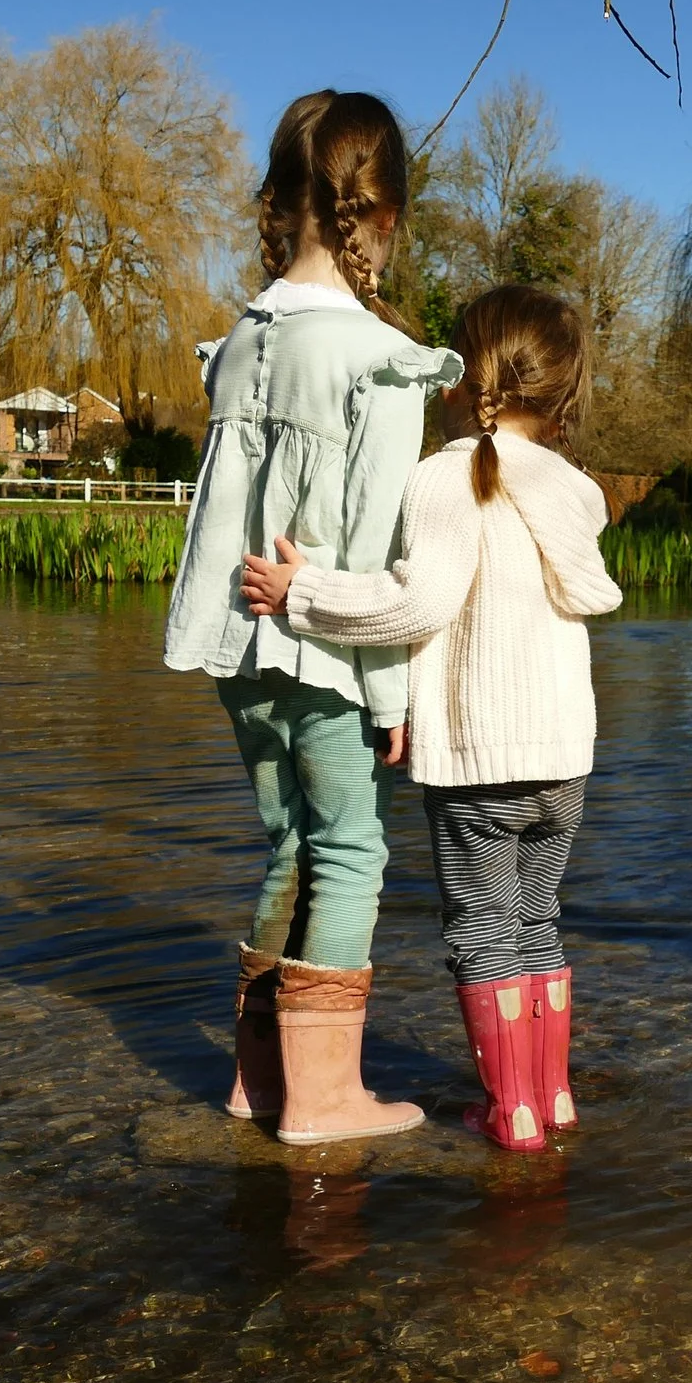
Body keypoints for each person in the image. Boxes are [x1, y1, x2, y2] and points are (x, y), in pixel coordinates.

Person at [240, 285, 621, 1153]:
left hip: (481, 760)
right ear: (561, 397)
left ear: (463, 378)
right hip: (564, 761)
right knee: (537, 920)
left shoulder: (448, 476)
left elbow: (418, 605)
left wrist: (306, 592)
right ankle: (551, 1098)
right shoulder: (571, 487)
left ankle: (512, 1112)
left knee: (482, 930)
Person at [163, 89, 461, 1146]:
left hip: (235, 645)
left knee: (287, 838)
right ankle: (326, 1099)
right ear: (383, 217)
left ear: (280, 203)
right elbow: (375, 540)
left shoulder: (239, 341)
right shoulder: (375, 357)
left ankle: (257, 1081)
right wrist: (394, 688)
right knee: (352, 849)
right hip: (324, 643)